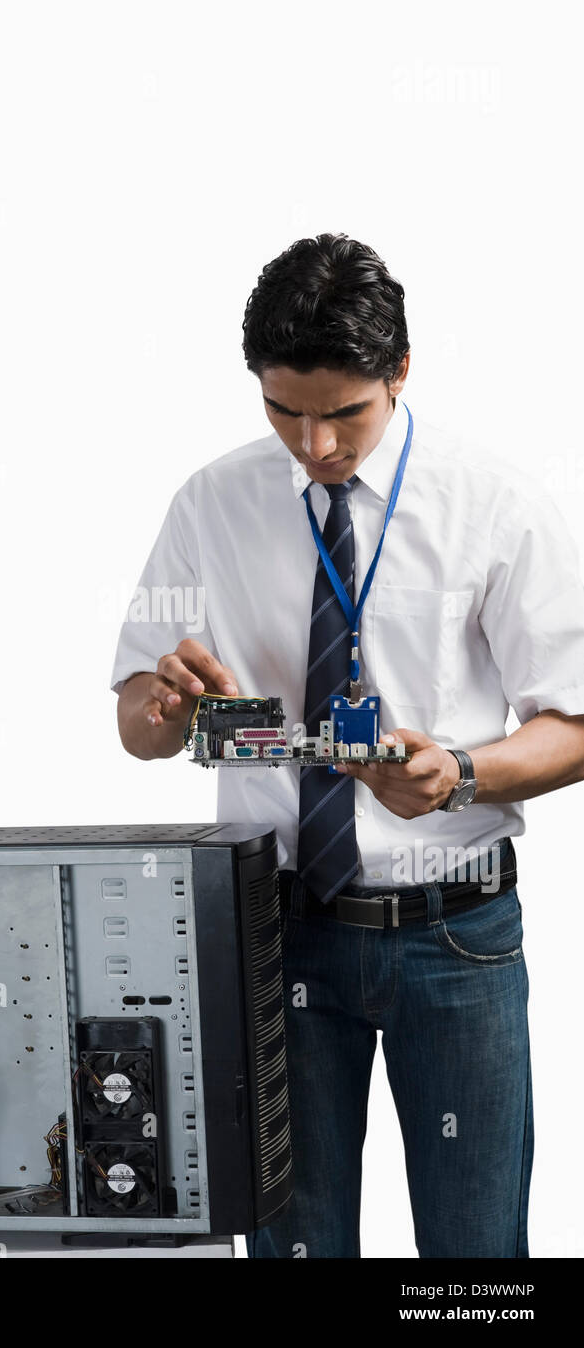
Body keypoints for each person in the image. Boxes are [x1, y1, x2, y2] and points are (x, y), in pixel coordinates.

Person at [109, 233, 584, 1258]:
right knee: (292, 1245)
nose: (314, 444)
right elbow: (136, 718)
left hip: (454, 935)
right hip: (276, 927)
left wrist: (461, 771)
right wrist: (168, 706)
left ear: (399, 371)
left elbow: (576, 721)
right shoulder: (208, 504)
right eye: (284, 411)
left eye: (343, 414)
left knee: (475, 1259)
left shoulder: (493, 504)